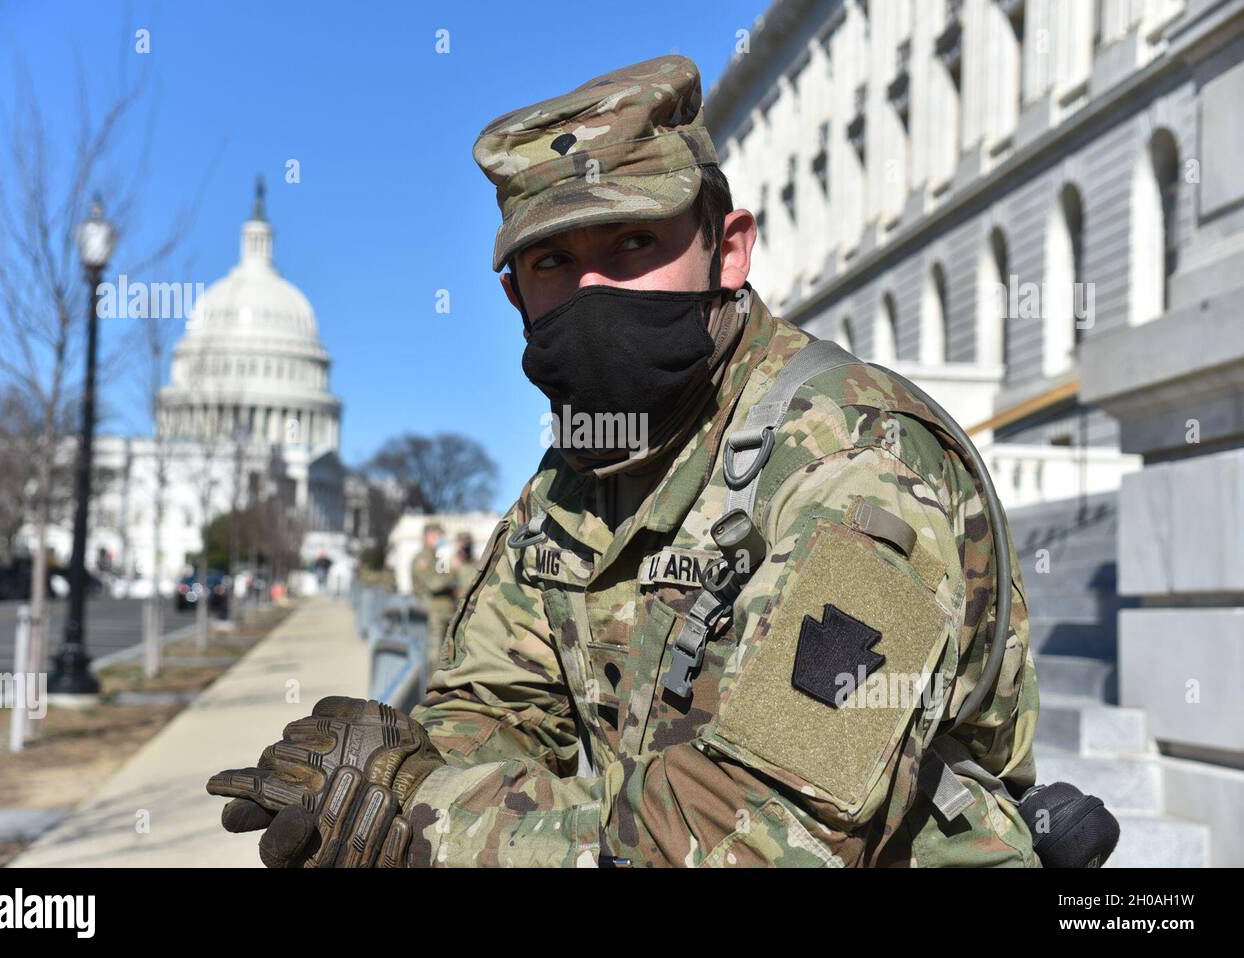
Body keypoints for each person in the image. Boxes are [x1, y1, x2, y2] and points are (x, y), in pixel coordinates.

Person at [208, 54, 1040, 868]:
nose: (594, 290)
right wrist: (383, 782)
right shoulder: (581, 475)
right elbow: (500, 705)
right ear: (515, 295)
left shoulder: (858, 458)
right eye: (553, 262)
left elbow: (766, 836)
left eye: (636, 241)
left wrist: (423, 816)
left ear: (731, 249)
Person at [407, 522, 456, 667]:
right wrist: (453, 572)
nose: (441, 539)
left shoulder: (436, 557)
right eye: (438, 535)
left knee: (445, 656)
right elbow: (434, 585)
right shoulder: (423, 558)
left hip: (443, 613)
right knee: (434, 658)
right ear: (428, 536)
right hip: (432, 614)